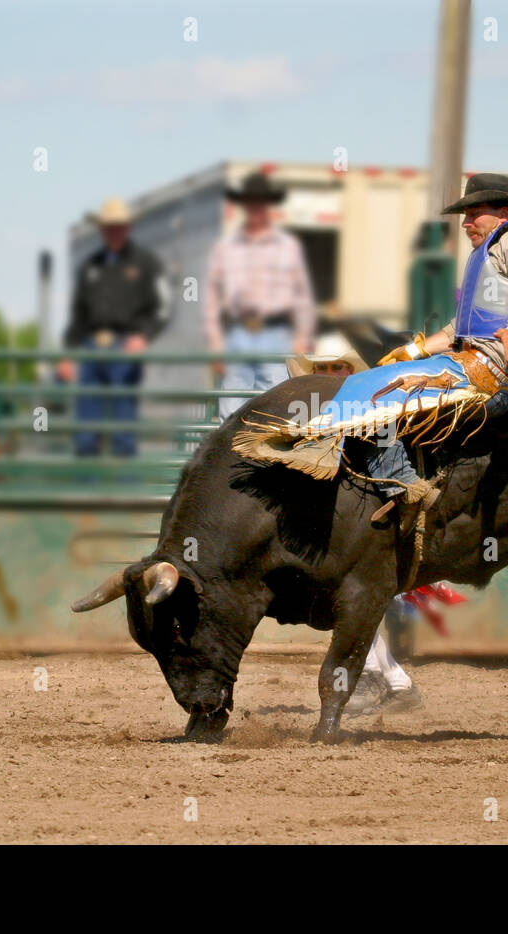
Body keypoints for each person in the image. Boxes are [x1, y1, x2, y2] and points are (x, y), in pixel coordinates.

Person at [369, 173, 508, 509]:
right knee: (380, 382)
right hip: (469, 366)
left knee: (379, 396)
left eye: (474, 213)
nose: (466, 223)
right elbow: (461, 328)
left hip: (488, 376)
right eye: (465, 216)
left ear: (503, 212)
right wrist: (414, 349)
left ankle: (403, 487)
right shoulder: (490, 249)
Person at [290, 331, 426, 714]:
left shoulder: (369, 407)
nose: (331, 373)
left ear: (351, 369)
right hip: (348, 522)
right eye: (324, 368)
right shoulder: (320, 410)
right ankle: (397, 682)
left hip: (371, 521)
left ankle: (379, 681)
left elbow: (389, 465)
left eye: (337, 367)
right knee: (357, 604)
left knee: (353, 602)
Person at [203, 171, 315, 421]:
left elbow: (302, 296)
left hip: (275, 333)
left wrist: (302, 336)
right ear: (244, 206)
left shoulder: (287, 247)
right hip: (236, 334)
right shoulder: (225, 248)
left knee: (275, 409)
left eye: (260, 202)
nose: (256, 208)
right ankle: (231, 460)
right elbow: (212, 298)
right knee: (231, 410)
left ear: (268, 206)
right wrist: (215, 342)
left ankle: (269, 461)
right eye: (251, 202)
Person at [60, 197, 166, 457]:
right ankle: (87, 489)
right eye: (108, 226)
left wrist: (143, 336)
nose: (114, 231)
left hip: (125, 346)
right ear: (101, 229)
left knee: (123, 427)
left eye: (119, 226)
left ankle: (123, 491)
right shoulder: (90, 266)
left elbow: (162, 307)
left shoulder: (146, 263)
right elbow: (78, 314)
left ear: (128, 228)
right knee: (86, 425)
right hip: (92, 347)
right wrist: (68, 353)